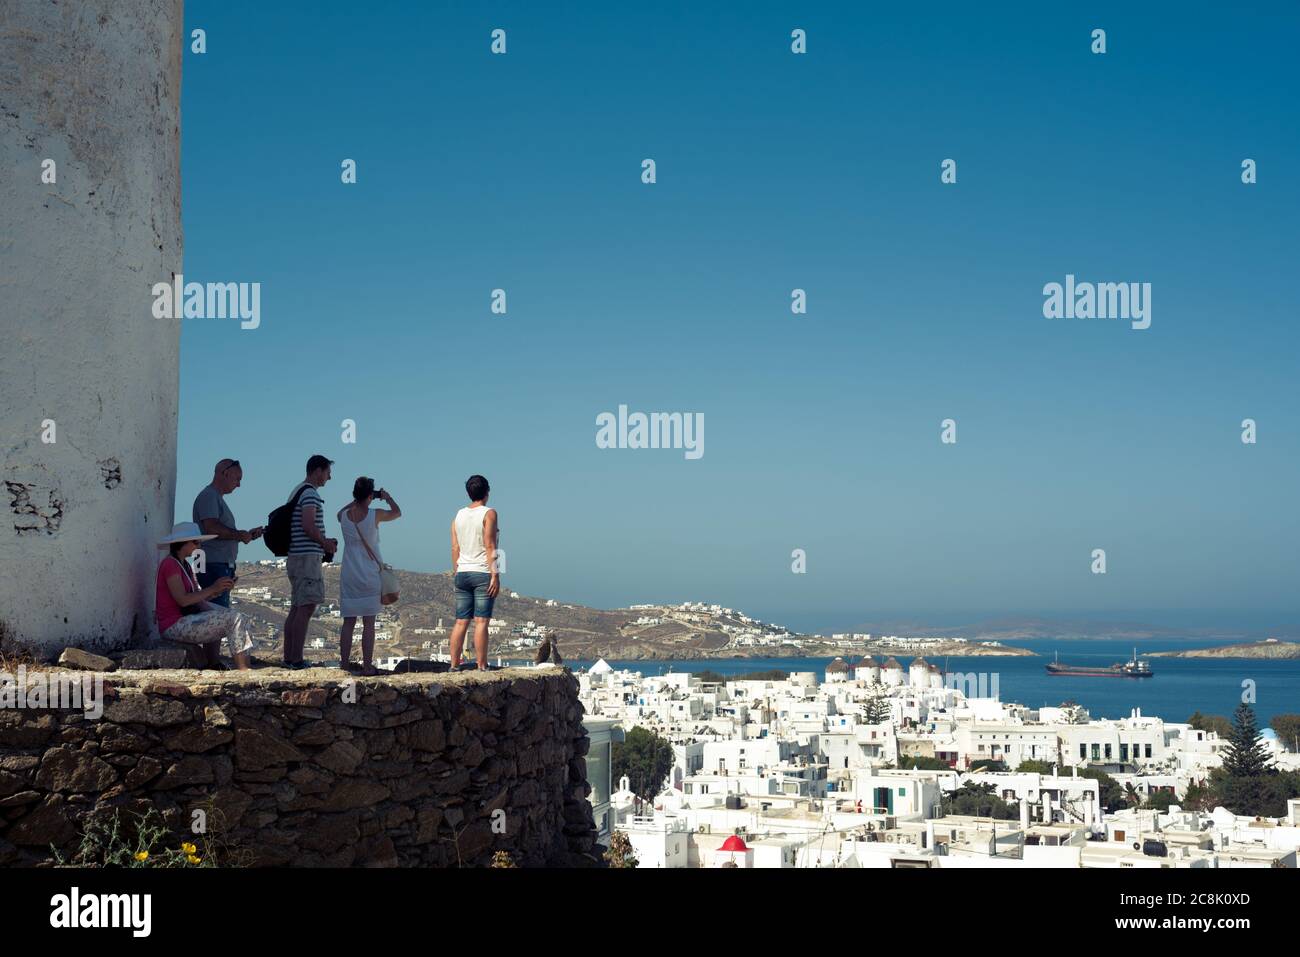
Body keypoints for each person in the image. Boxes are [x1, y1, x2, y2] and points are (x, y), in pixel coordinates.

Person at [154, 523, 253, 670]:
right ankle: (244, 669)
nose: (199, 546)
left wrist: (217, 591)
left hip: (182, 621)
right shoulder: (170, 564)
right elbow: (183, 600)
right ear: (182, 543)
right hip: (173, 625)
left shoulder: (185, 565)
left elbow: (196, 600)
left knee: (230, 615)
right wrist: (213, 588)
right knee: (234, 618)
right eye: (195, 542)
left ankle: (215, 663)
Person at [336, 477, 401, 676]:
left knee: (348, 622)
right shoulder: (375, 515)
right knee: (369, 623)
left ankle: (345, 665)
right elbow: (397, 513)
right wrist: (387, 497)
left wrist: (358, 499)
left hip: (349, 573)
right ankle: (366, 665)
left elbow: (339, 513)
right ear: (370, 495)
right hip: (370, 574)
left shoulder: (344, 515)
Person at [283, 454, 337, 670]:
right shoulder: (310, 494)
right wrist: (325, 543)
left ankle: (289, 657)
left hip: (296, 555)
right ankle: (295, 659)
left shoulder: (297, 491)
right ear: (318, 471)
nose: (329, 478)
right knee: (306, 607)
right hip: (306, 558)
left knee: (297, 607)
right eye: (327, 473)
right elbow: (308, 525)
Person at [191, 458, 264, 608]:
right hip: (213, 564)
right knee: (216, 613)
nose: (238, 484)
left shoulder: (214, 497)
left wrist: (245, 535)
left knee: (218, 612)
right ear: (225, 473)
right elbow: (211, 527)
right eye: (237, 479)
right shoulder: (209, 496)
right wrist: (239, 535)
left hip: (215, 564)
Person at [449, 474, 500, 671]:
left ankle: (454, 665)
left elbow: (455, 548)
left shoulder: (458, 515)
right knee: (481, 621)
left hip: (462, 571)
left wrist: (457, 570)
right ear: (487, 492)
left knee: (461, 621)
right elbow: (490, 545)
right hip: (481, 572)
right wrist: (495, 574)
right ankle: (481, 664)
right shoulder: (489, 513)